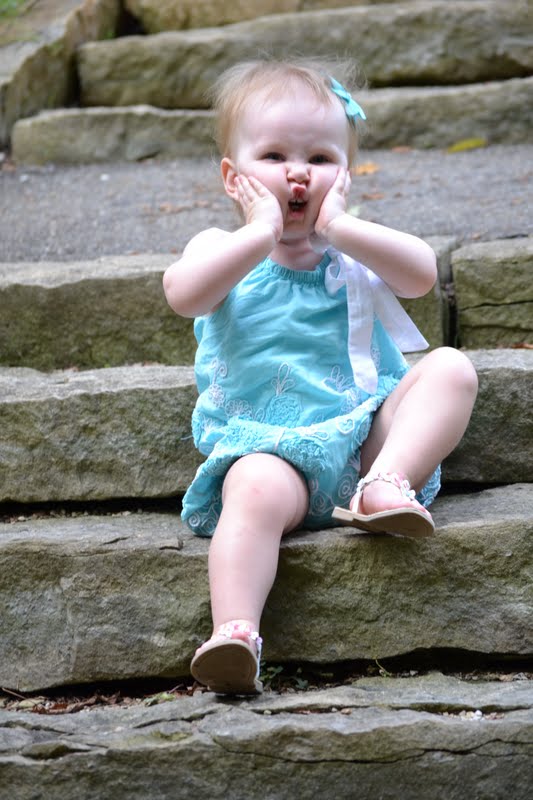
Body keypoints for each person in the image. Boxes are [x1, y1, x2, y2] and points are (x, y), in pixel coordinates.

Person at [163, 59, 478, 695]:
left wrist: (340, 229)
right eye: (274, 154)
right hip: (269, 453)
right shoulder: (218, 251)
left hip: (363, 444)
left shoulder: (353, 249)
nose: (298, 172)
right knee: (248, 490)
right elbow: (184, 295)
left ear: (347, 174)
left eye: (321, 156)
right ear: (233, 177)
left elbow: (419, 276)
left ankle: (388, 486)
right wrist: (258, 236)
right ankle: (236, 632)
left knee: (451, 368)